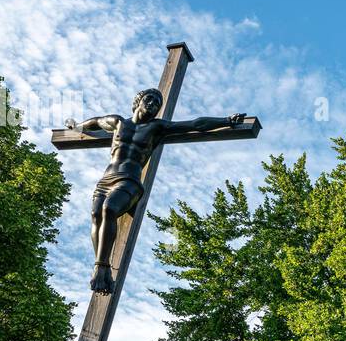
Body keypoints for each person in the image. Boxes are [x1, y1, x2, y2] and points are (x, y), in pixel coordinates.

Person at [66, 88, 244, 293]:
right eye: (149, 99)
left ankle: (102, 268)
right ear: (138, 101)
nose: (152, 105)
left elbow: (195, 124)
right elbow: (95, 122)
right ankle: (101, 267)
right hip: (106, 180)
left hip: (129, 181)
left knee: (109, 209)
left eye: (157, 104)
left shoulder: (156, 128)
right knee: (96, 214)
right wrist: (75, 126)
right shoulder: (118, 123)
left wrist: (226, 120)